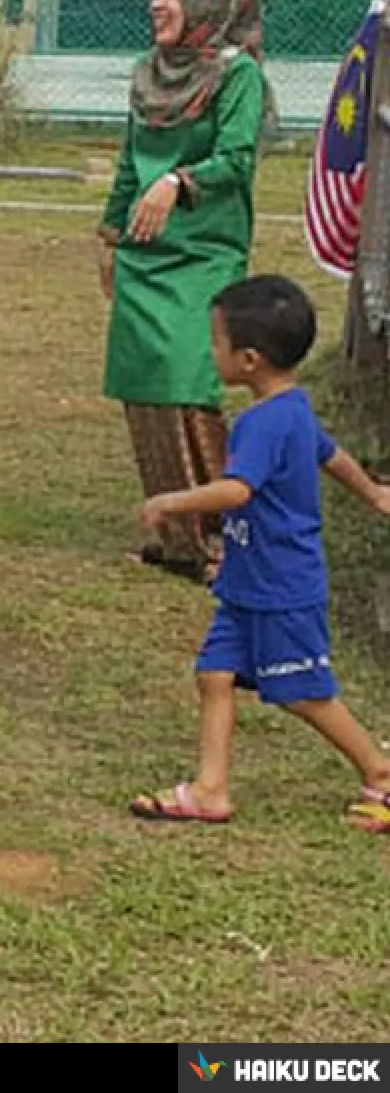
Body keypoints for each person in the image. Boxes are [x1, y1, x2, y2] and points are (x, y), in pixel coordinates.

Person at [128, 276, 390, 833]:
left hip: (282, 587)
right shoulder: (294, 408)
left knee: (305, 693)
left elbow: (237, 490)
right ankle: (210, 790)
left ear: (248, 359)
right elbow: (332, 454)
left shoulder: (262, 423)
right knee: (215, 674)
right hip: (249, 584)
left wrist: (173, 500)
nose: (211, 351)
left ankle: (381, 773)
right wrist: (373, 493)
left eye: (215, 342)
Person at [100, 0, 271, 583]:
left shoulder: (238, 77)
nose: (158, 5)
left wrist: (177, 180)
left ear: (206, 5)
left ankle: (224, 540)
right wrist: (109, 231)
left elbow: (236, 161)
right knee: (142, 387)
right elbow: (128, 159)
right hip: (144, 252)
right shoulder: (149, 74)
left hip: (203, 250)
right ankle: (176, 541)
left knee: (186, 380)